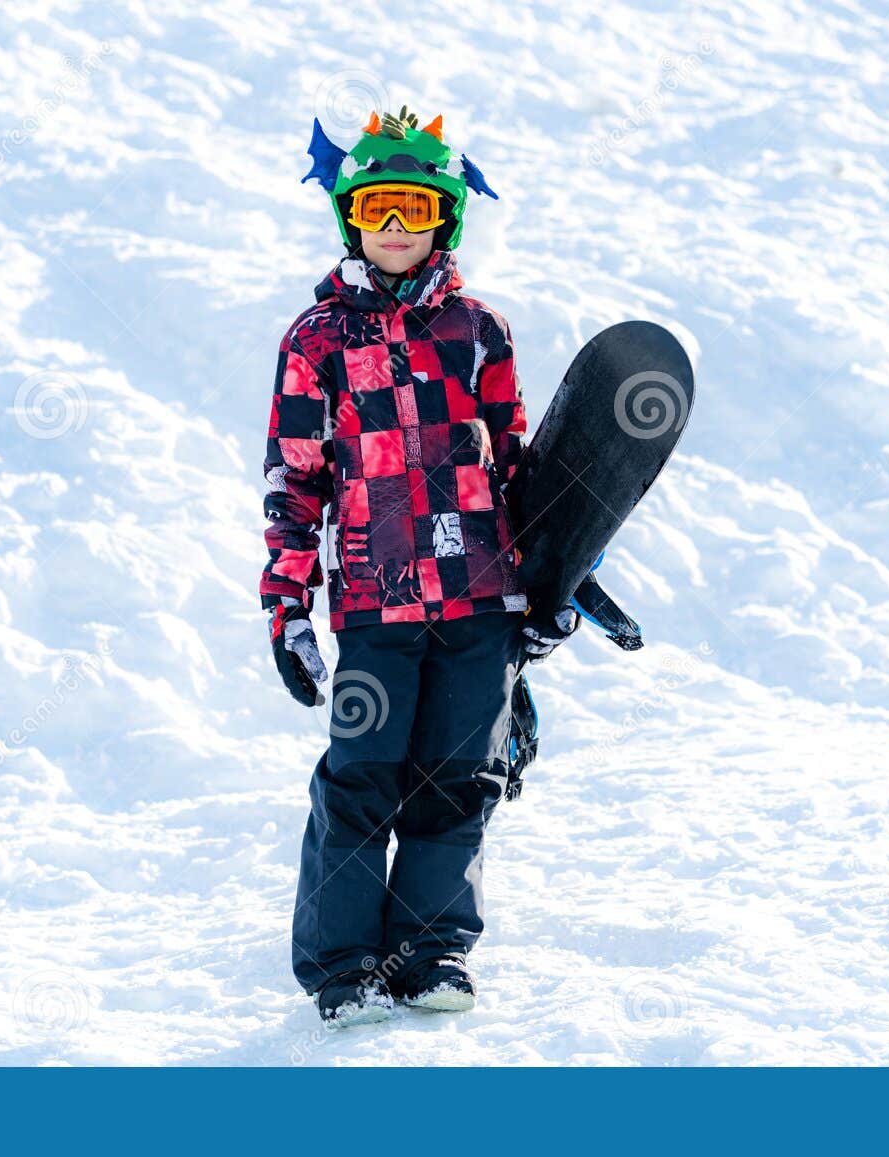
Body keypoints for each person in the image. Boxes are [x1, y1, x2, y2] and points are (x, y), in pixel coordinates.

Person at [261, 107, 580, 1026]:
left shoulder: (481, 332)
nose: (396, 225)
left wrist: (552, 583)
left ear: (446, 216)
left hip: (481, 601)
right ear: (349, 216)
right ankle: (344, 965)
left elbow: (519, 470)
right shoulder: (317, 339)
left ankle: (431, 952)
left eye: (415, 206)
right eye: (376, 207)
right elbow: (295, 479)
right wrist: (287, 604)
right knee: (362, 776)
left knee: (459, 779)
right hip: (374, 603)